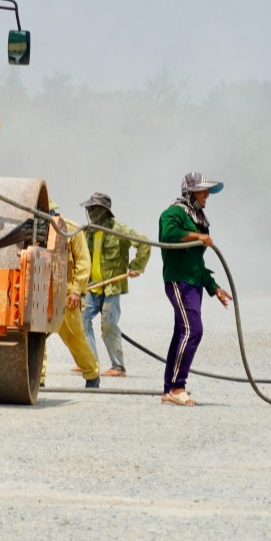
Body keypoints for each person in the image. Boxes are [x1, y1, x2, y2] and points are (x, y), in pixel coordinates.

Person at [158, 172, 233, 406]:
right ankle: (178, 386)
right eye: (203, 191)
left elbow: (197, 263)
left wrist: (214, 288)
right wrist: (197, 236)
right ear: (190, 192)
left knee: (181, 332)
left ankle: (170, 389)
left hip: (193, 282)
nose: (207, 195)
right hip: (178, 281)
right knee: (193, 330)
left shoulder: (198, 217)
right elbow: (168, 234)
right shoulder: (174, 212)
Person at [78, 193, 150, 378]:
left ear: (103, 211)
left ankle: (118, 367)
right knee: (81, 320)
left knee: (109, 324)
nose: (89, 212)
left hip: (111, 287)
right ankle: (89, 362)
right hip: (92, 287)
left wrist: (136, 267)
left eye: (93, 209)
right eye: (88, 209)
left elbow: (144, 243)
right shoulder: (88, 231)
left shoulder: (119, 229)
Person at [42, 204, 101, 388]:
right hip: (41, 290)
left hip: (66, 293)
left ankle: (92, 374)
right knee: (36, 338)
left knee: (75, 337)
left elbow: (83, 261)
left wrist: (77, 290)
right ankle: (39, 378)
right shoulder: (36, 227)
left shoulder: (71, 229)